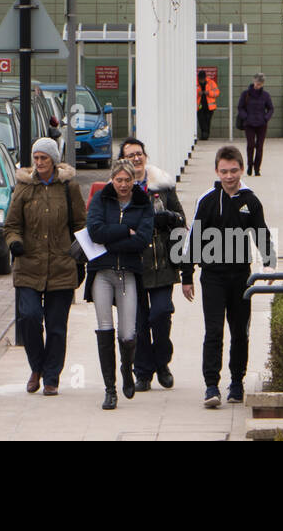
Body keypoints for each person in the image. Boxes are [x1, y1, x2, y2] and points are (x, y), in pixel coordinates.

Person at [182, 145, 275, 408]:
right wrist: (186, 275)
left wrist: (268, 263)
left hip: (240, 277)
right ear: (216, 171)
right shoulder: (208, 200)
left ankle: (237, 382)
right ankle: (211, 385)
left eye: (234, 170)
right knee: (213, 331)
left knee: (240, 332)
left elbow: (261, 233)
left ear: (242, 169)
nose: (229, 176)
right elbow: (194, 239)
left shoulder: (250, 200)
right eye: (224, 171)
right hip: (212, 277)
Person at [3, 136, 85, 396]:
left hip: (61, 265)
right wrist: (14, 242)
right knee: (29, 317)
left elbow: (80, 226)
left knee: (57, 325)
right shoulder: (24, 187)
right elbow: (11, 225)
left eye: (44, 158)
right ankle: (35, 367)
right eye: (36, 158)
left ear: (54, 160)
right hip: (29, 265)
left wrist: (80, 258)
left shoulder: (68, 188)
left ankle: (51, 377)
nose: (39, 163)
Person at [118, 137, 187, 392]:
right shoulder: (118, 190)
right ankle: (143, 372)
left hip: (162, 264)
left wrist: (168, 219)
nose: (136, 158)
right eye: (129, 156)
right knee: (138, 322)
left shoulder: (163, 185)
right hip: (132, 266)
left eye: (139, 154)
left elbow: (181, 220)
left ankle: (163, 362)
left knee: (160, 314)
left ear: (145, 156)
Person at [85, 158, 153, 410]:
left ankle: (127, 368)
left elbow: (143, 239)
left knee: (127, 333)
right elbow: (95, 232)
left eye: (128, 180)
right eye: (118, 180)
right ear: (112, 179)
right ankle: (110, 389)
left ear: (134, 180)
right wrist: (125, 231)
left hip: (128, 272)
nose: (123, 185)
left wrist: (111, 238)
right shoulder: (101, 199)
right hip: (102, 271)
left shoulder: (143, 202)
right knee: (104, 328)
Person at [236, 73, 274, 176]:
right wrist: (245, 117)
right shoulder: (246, 94)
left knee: (259, 146)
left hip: (261, 124)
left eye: (260, 84)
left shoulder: (265, 95)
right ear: (254, 82)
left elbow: (270, 108)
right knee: (251, 145)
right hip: (249, 124)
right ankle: (249, 165)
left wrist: (266, 118)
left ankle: (257, 168)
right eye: (257, 83)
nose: (258, 86)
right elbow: (240, 107)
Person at [196, 70, 219, 140]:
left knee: (207, 120)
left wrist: (208, 93)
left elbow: (217, 93)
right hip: (199, 105)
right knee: (201, 120)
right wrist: (198, 93)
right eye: (200, 79)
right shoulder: (195, 83)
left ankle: (205, 134)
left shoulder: (211, 83)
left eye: (202, 79)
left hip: (209, 106)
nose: (202, 81)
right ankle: (204, 133)